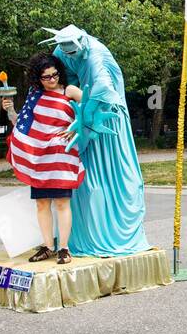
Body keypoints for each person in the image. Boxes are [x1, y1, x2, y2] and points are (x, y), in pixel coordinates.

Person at [43, 25, 151, 257]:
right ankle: (72, 235)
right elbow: (56, 81)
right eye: (65, 51)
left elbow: (102, 91)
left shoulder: (96, 54)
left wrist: (83, 117)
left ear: (82, 41)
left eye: (73, 51)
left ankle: (107, 232)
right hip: (82, 117)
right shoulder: (61, 51)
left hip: (106, 119)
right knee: (83, 180)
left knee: (112, 177)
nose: (69, 55)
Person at [3, 53, 85, 264]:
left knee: (62, 203)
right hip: (39, 158)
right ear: (37, 78)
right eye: (46, 77)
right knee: (41, 204)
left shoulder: (70, 91)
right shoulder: (34, 95)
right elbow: (21, 125)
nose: (51, 79)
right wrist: (10, 110)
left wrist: (76, 127)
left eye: (54, 74)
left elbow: (91, 111)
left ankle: (64, 249)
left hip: (61, 157)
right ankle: (48, 246)